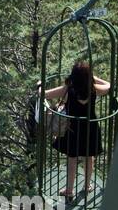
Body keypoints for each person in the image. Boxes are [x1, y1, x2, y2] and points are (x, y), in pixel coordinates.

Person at [42, 60, 111, 199]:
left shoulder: (67, 90)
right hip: (90, 127)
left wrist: (39, 86)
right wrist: (93, 77)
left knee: (72, 159)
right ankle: (86, 186)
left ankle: (69, 190)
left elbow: (44, 94)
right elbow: (108, 86)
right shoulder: (93, 89)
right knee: (89, 157)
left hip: (72, 128)